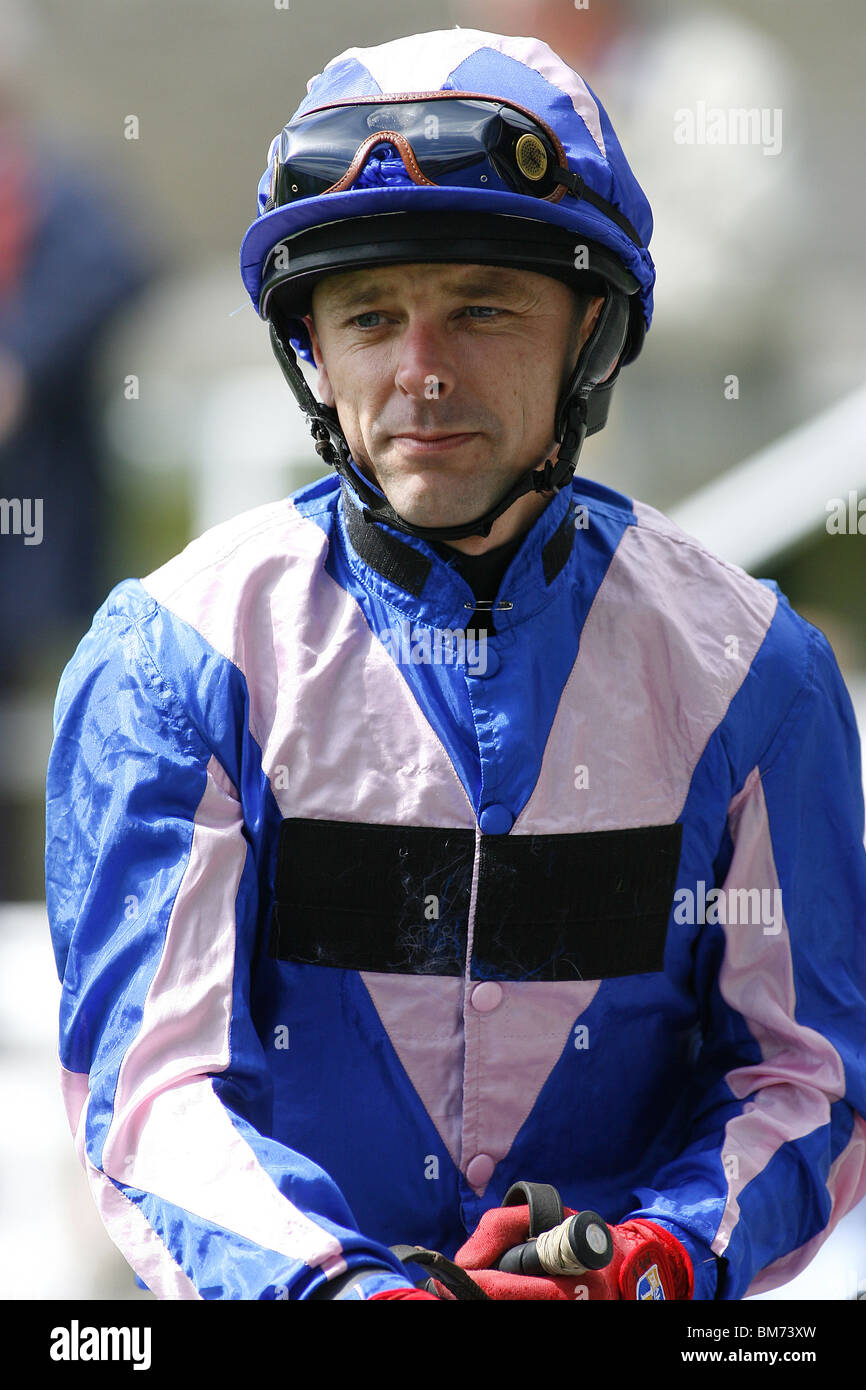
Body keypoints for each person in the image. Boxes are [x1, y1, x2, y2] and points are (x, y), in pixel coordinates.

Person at [45, 28, 866, 1302]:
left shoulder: (759, 675)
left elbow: (805, 1076)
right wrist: (348, 1289)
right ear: (311, 349)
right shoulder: (171, 659)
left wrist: (654, 1255)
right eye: (369, 316)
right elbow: (152, 1098)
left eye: (481, 310)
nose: (419, 373)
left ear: (590, 335)